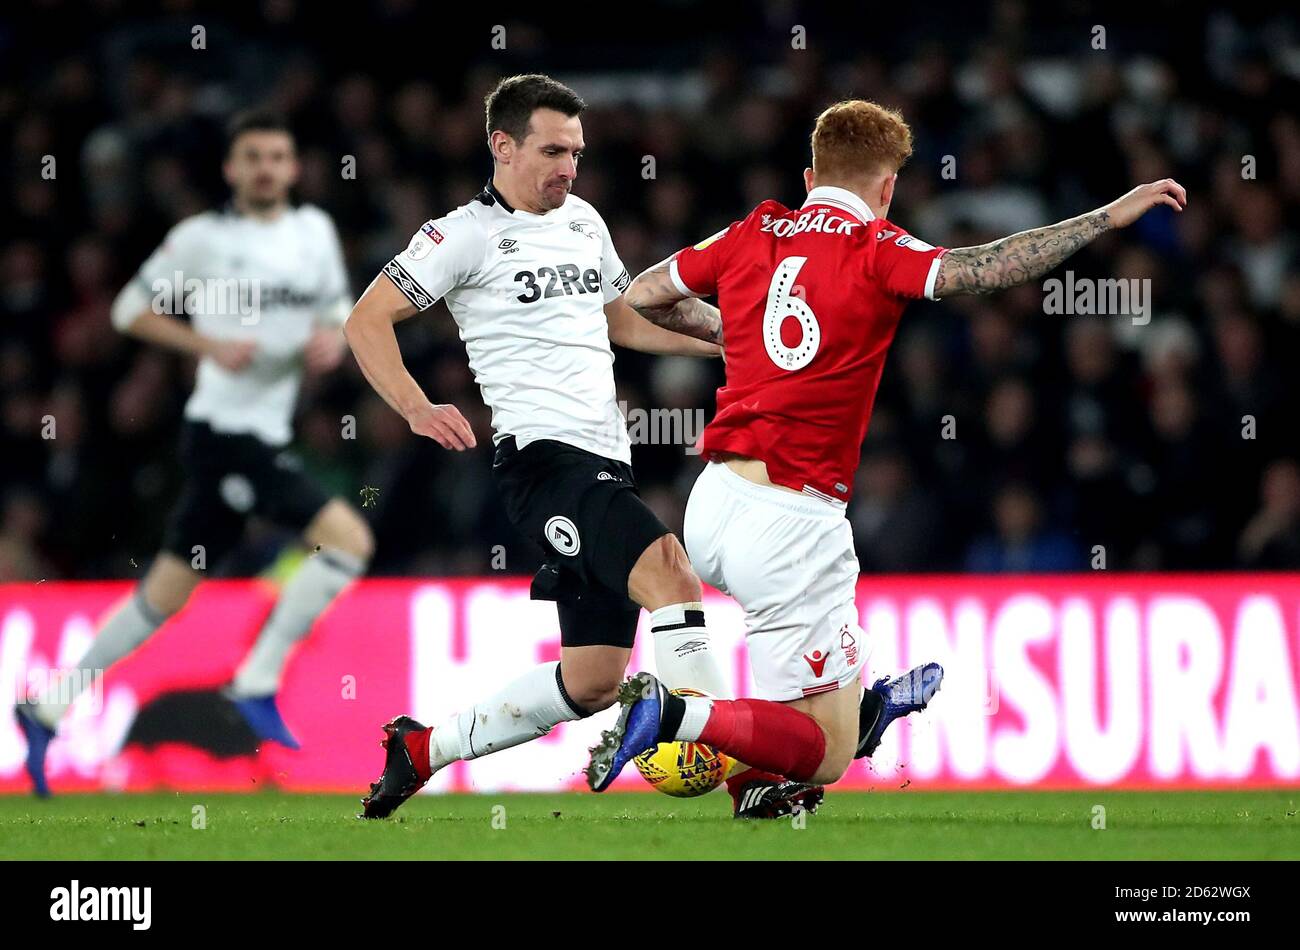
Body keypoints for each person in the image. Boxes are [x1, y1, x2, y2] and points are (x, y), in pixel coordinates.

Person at [589, 99, 1186, 796]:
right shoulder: (877, 248)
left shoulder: (758, 227)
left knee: (798, 735)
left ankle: (804, 755)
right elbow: (985, 268)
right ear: (888, 187)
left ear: (810, 176)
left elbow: (645, 294)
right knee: (826, 753)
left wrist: (732, 333)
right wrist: (1104, 218)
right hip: (790, 516)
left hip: (713, 502)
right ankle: (676, 713)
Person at [344, 74, 805, 818]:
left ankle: (421, 749)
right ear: (502, 146)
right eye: (554, 150)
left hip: (602, 460)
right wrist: (416, 405)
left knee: (592, 680)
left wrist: (728, 345)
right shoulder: (460, 234)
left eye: (577, 153)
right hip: (544, 464)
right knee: (671, 572)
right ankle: (749, 777)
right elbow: (366, 320)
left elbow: (621, 320)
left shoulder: (586, 220)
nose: (570, 167)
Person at [14, 112, 373, 796]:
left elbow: (337, 311)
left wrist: (334, 340)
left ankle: (47, 707)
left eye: (276, 156)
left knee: (164, 596)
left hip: (267, 435)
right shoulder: (200, 239)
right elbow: (128, 311)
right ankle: (255, 682)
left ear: (292, 169)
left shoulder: (314, 233)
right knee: (350, 540)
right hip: (223, 436)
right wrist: (205, 346)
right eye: (252, 157)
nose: (265, 167)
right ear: (232, 170)